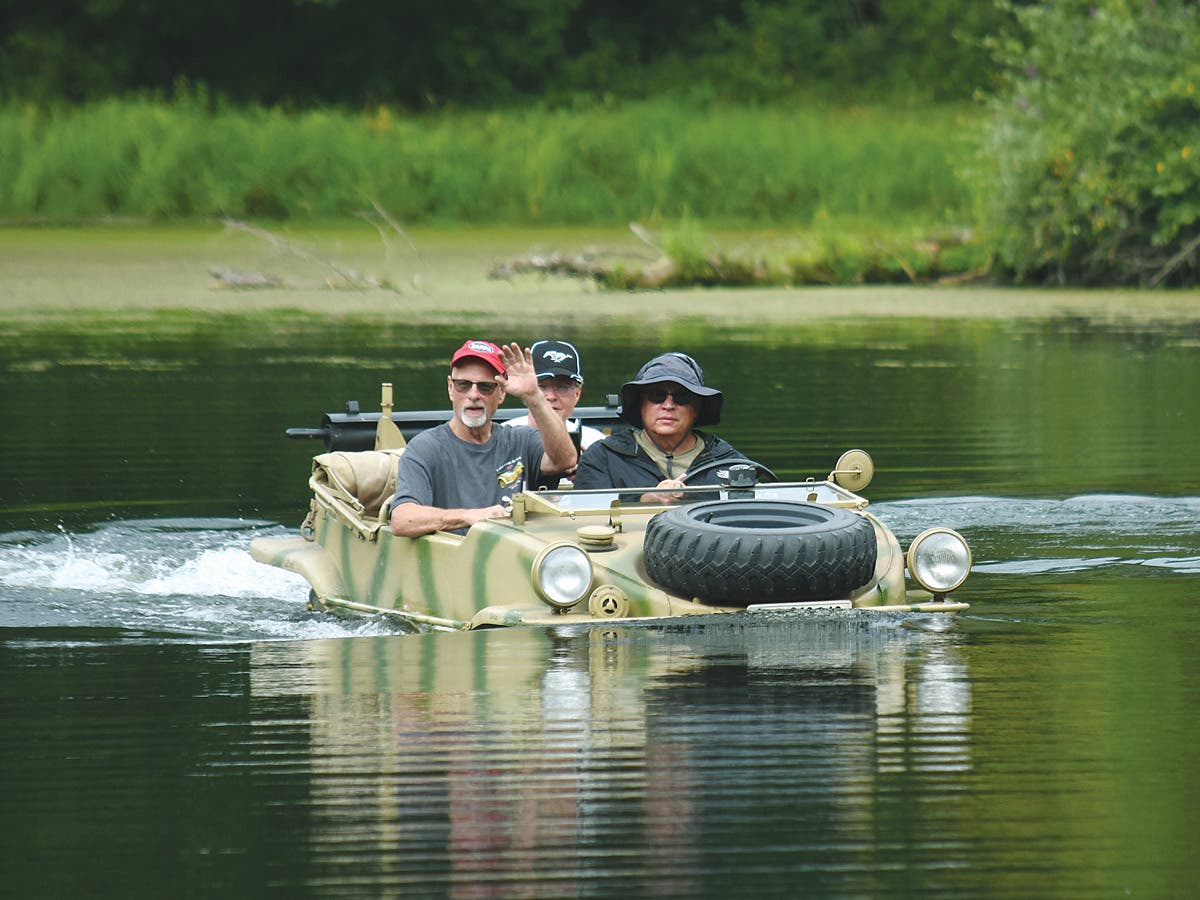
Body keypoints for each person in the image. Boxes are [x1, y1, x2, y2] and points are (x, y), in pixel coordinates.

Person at [388, 340, 578, 537]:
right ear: (450, 388)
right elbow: (402, 519)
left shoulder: (520, 439)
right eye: (463, 385)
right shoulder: (425, 447)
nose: (473, 394)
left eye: (486, 387)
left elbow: (565, 460)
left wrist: (533, 397)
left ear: (501, 393)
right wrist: (470, 517)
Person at [573, 352, 749, 499]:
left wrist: (692, 500)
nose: (668, 405)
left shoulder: (730, 463)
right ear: (640, 405)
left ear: (696, 408)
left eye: (682, 398)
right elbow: (584, 520)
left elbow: (750, 516)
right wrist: (643, 501)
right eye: (657, 396)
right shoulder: (602, 458)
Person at [503, 339, 604, 452]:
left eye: (562, 387)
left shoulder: (595, 443)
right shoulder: (503, 439)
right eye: (541, 386)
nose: (551, 396)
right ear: (524, 391)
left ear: (577, 393)